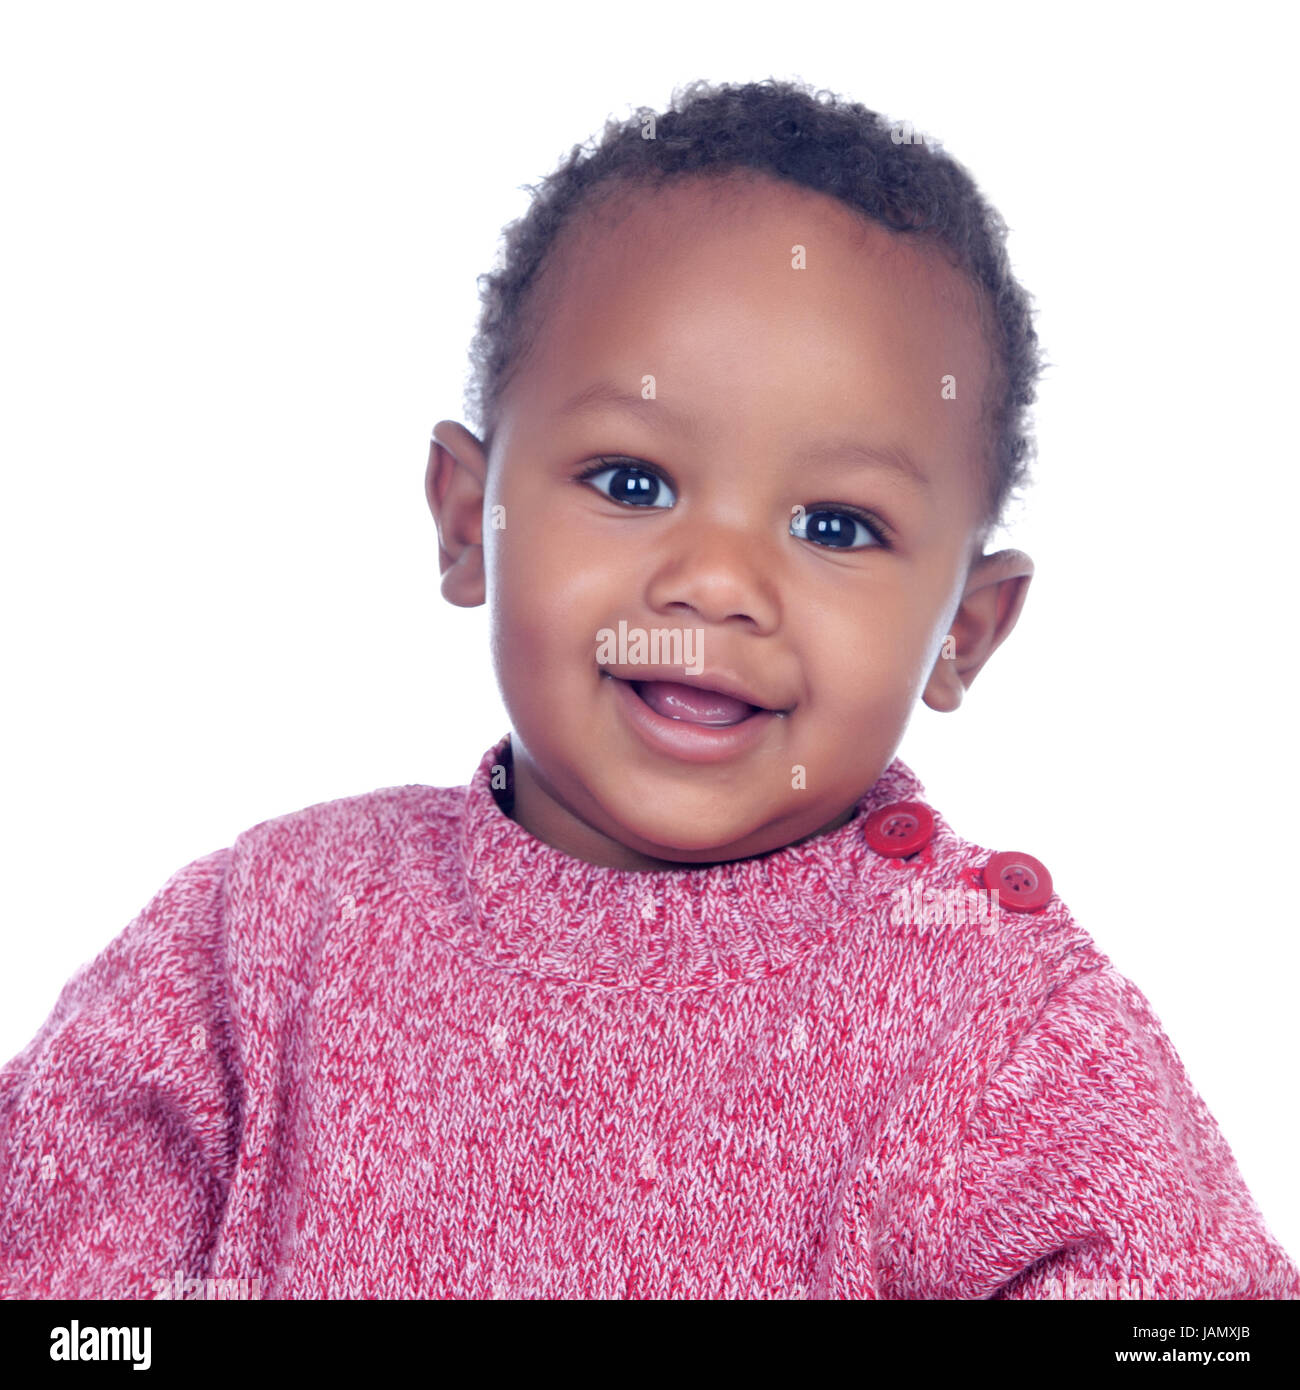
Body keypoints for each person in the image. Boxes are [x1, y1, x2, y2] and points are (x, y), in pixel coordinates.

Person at [3, 78, 1295, 1300]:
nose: (716, 582)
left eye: (838, 525)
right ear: (469, 522)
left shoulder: (1011, 1032)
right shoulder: (267, 934)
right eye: (632, 483)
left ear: (965, 628)